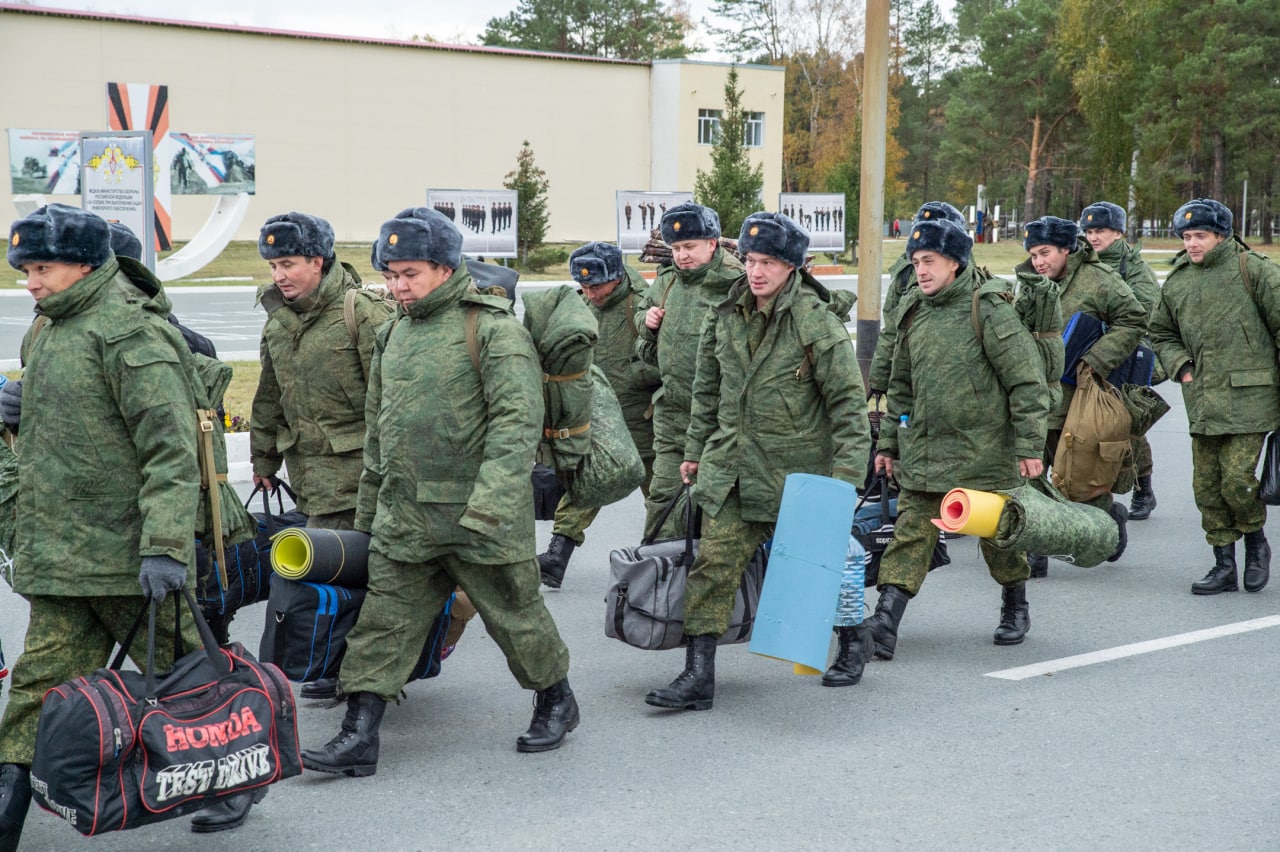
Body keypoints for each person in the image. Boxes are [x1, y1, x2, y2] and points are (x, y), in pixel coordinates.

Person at [301, 208, 577, 777]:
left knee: (516, 618)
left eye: (410, 274)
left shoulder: (493, 330)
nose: (398, 286)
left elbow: (515, 425)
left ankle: (556, 699)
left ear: (446, 269)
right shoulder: (394, 333)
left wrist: (490, 506)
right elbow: (381, 428)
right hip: (406, 518)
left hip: (479, 519)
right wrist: (370, 511)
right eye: (391, 274)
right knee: (384, 622)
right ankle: (360, 734)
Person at [0, 204, 218, 847]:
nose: (31, 282)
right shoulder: (47, 326)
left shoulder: (130, 332)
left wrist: (165, 547)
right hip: (65, 552)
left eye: (42, 268)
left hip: (130, 557)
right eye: (25, 270)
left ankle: (239, 778)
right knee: (38, 689)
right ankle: (7, 812)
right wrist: (18, 404)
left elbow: (171, 450)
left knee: (193, 679)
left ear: (86, 265)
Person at [644, 211, 870, 711]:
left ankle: (855, 641)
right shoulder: (723, 314)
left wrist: (846, 480)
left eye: (768, 262)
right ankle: (698, 675)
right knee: (712, 566)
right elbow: (707, 393)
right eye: (749, 260)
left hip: (799, 475)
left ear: (792, 266)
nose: (756, 272)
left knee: (816, 569)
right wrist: (694, 453)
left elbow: (849, 409)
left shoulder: (816, 322)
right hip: (733, 471)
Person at [865, 217, 1048, 660]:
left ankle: (1015, 604)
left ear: (954, 262)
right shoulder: (913, 310)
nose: (921, 270)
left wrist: (1028, 446)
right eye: (915, 262)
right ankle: (885, 622)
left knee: (997, 540)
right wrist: (889, 444)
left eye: (929, 261)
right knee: (910, 534)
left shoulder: (987, 309)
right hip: (926, 452)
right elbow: (902, 388)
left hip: (982, 454)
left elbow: (1026, 382)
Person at [250, 212, 394, 701]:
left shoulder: (361, 313)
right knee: (328, 578)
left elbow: (391, 398)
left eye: (287, 263)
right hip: (307, 476)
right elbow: (269, 395)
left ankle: (361, 674)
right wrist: (264, 460)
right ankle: (342, 665)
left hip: (360, 476)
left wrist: (390, 468)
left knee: (361, 577)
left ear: (318, 260)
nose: (279, 275)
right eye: (272, 266)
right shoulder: (279, 321)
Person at [1149, 198, 1279, 596]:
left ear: (1221, 236)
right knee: (1205, 486)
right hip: (1203, 400)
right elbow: (1161, 332)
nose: (1192, 244)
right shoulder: (1179, 281)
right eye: (1186, 237)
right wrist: (1181, 366)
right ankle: (1223, 564)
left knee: (1237, 481)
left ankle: (1256, 544)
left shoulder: (1253, 270)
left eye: (1200, 235)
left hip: (1252, 399)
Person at [1016, 215, 1146, 575]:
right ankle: (1035, 547)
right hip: (1036, 394)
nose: (1038, 261)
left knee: (1080, 477)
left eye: (1045, 253)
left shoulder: (1098, 280)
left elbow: (1134, 318)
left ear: (1066, 249)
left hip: (1079, 395)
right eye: (1033, 254)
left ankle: (1109, 516)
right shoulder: (1029, 282)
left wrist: (1096, 358)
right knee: (1029, 470)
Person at [537, 242, 660, 587]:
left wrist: (637, 376)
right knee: (586, 483)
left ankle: (660, 560)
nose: (590, 293)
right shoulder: (579, 304)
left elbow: (663, 358)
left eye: (597, 286)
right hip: (598, 414)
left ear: (617, 277)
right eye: (584, 285)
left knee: (658, 493)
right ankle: (556, 557)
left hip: (642, 416)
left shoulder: (642, 302)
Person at [634, 202, 744, 540]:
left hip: (720, 422)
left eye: (690, 247)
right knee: (663, 499)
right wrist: (647, 321)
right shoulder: (667, 281)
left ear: (712, 244)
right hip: (673, 413)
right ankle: (658, 578)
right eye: (677, 248)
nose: (682, 255)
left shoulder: (736, 282)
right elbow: (641, 321)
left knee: (715, 510)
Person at [1078, 201, 1163, 520]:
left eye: (1099, 230)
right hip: (1087, 354)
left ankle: (1144, 488)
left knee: (1127, 425)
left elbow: (1146, 311)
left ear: (1118, 232)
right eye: (1088, 231)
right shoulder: (1082, 262)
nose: (1093, 237)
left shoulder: (1134, 268)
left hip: (1126, 355)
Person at [869, 202, 968, 396]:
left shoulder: (968, 277)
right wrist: (880, 377)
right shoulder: (905, 274)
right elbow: (892, 329)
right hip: (913, 372)